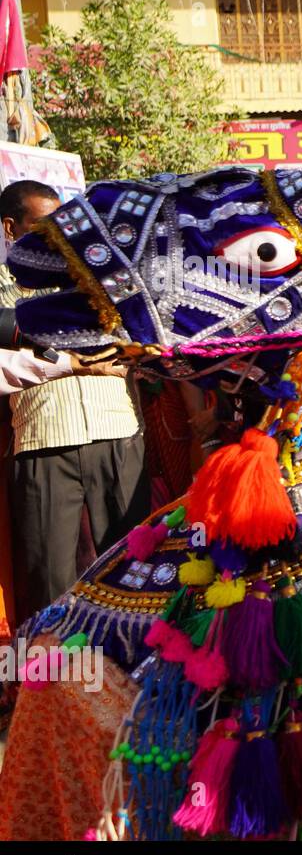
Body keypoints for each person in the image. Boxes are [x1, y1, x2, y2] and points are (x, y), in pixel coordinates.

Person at [0, 179, 149, 627]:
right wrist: (69, 364)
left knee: (131, 570)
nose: (60, 237)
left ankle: (129, 683)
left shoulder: (102, 274)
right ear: (10, 228)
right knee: (48, 581)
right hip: (44, 439)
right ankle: (50, 690)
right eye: (44, 227)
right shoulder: (3, 289)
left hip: (117, 432)